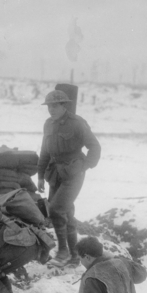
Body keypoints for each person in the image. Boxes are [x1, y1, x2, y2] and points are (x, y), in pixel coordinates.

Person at [37, 90, 101, 267]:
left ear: (64, 106)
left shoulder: (77, 123)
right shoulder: (48, 124)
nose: (51, 109)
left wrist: (85, 166)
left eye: (55, 106)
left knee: (56, 210)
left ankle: (63, 252)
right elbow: (44, 151)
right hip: (55, 173)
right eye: (49, 106)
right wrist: (40, 175)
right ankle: (74, 257)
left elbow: (95, 147)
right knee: (67, 214)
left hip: (74, 173)